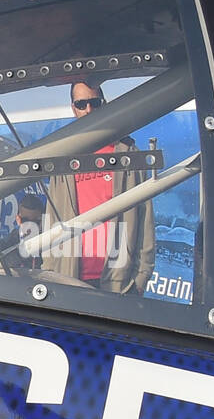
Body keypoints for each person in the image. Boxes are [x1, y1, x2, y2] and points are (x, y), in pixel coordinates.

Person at [41, 80, 155, 293]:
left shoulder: (126, 153)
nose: (89, 109)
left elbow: (145, 215)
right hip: (69, 278)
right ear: (73, 108)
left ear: (103, 103)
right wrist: (49, 269)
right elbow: (52, 218)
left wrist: (141, 278)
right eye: (82, 104)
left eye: (94, 102)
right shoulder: (63, 157)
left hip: (117, 280)